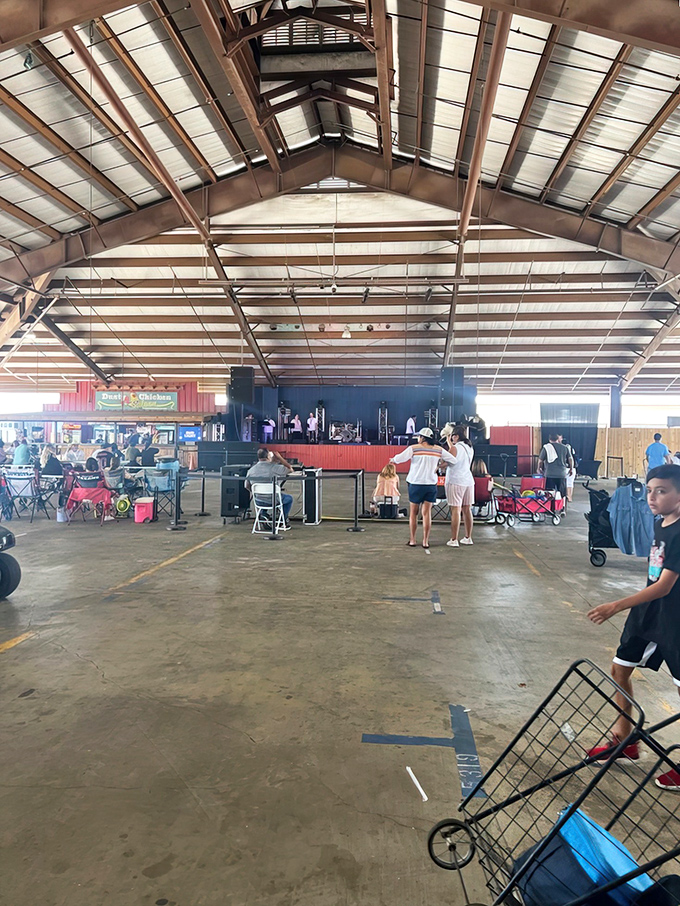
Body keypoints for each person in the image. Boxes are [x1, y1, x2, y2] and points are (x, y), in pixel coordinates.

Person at [587, 464, 680, 791]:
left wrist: (616, 605)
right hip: (646, 615)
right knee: (620, 669)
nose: (652, 497)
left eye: (662, 491)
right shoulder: (660, 523)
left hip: (674, 618)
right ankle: (624, 740)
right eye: (650, 490)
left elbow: (665, 586)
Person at [390, 427, 456, 549]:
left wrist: (392, 460)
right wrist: (440, 466)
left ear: (422, 437)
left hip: (415, 483)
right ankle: (425, 541)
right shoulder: (438, 450)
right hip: (430, 484)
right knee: (426, 514)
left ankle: (413, 540)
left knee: (413, 514)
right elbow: (453, 460)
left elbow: (399, 458)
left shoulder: (414, 448)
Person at [245, 448, 295, 525]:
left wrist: (255, 492)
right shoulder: (274, 467)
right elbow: (290, 469)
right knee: (289, 499)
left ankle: (263, 514)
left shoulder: (251, 470)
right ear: (268, 456)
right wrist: (279, 457)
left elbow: (246, 486)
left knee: (264, 498)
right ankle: (283, 520)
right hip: (273, 499)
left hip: (258, 500)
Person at [444, 425, 475, 547]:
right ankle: (468, 537)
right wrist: (449, 443)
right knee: (467, 510)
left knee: (455, 510)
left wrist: (438, 465)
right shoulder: (469, 447)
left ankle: (454, 539)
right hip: (468, 480)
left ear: (456, 436)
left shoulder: (455, 448)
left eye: (452, 437)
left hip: (456, 480)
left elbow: (448, 461)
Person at [538, 434, 573, 499]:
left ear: (549, 439)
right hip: (562, 474)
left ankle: (550, 507)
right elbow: (570, 459)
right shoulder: (565, 447)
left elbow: (540, 460)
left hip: (549, 474)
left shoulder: (546, 448)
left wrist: (539, 468)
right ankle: (562, 506)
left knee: (549, 493)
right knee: (562, 493)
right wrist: (571, 469)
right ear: (558, 439)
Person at [559, 434, 577, 503]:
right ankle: (569, 497)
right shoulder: (571, 448)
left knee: (562, 483)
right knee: (570, 483)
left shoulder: (560, 449)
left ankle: (563, 497)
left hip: (563, 468)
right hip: (571, 467)